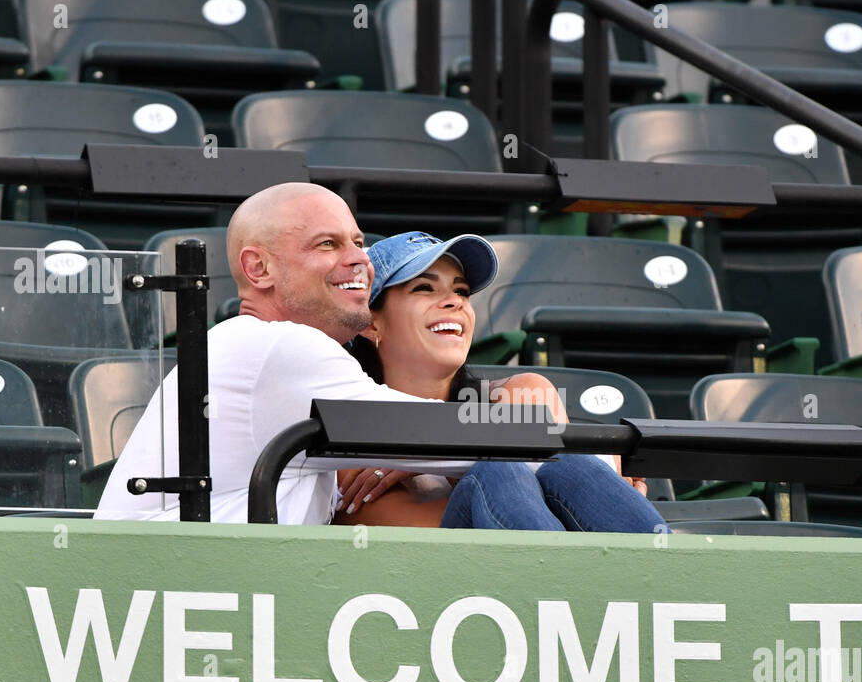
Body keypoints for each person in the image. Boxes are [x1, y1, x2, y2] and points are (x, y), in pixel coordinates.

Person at [95, 182, 466, 524]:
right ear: (258, 269)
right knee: (503, 471)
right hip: (167, 583)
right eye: (327, 244)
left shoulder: (255, 345)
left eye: (357, 242)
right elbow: (455, 442)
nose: (360, 260)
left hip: (174, 581)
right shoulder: (279, 347)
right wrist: (513, 408)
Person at [331, 230, 669, 534]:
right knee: (500, 471)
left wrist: (424, 449)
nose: (454, 301)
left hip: (572, 575)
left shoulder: (520, 392)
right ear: (371, 323)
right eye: (424, 287)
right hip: (468, 588)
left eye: (461, 291)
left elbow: (543, 441)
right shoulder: (356, 437)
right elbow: (432, 546)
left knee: (571, 466)